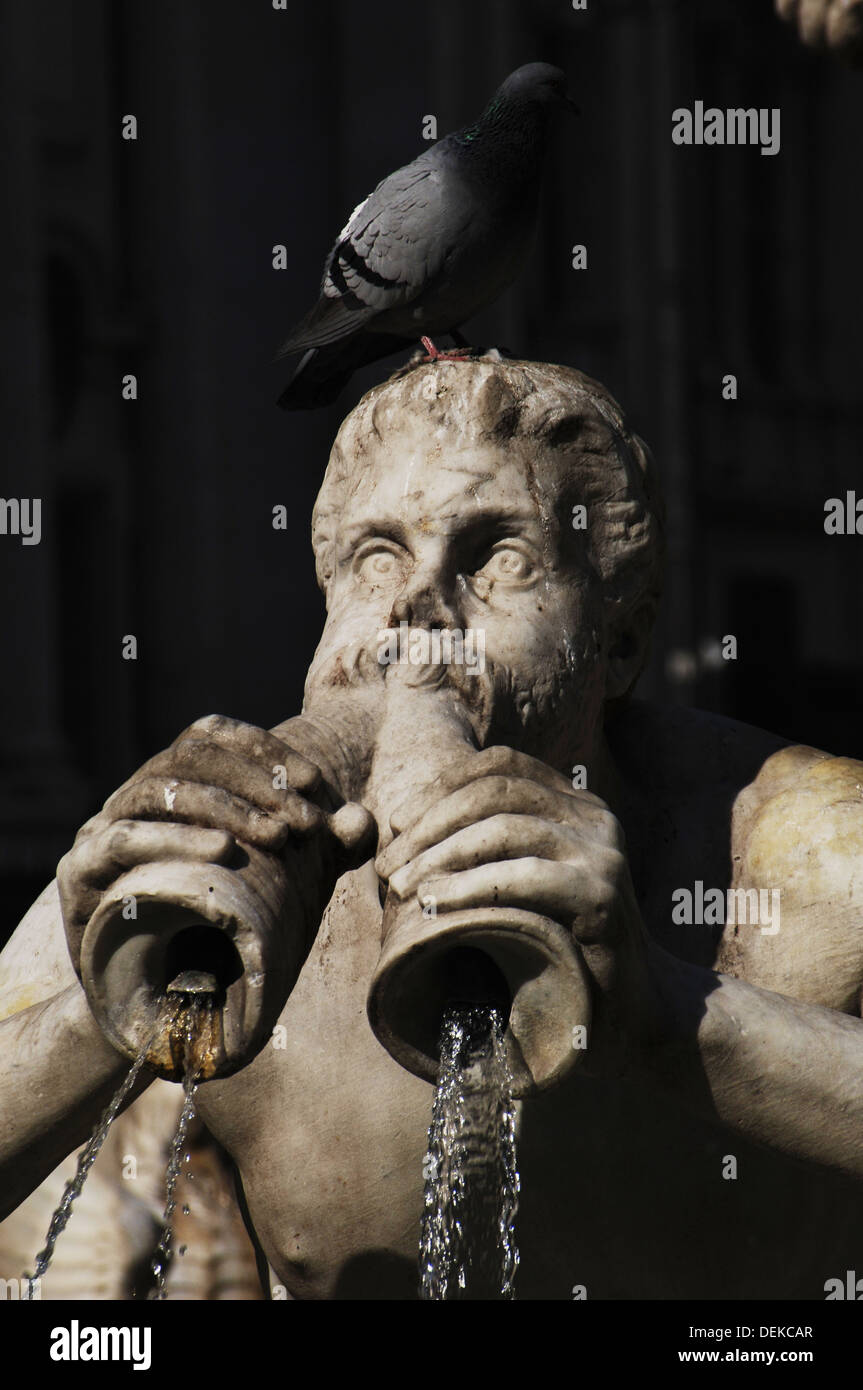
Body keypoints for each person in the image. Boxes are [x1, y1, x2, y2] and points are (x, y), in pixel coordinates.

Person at [2, 357, 862, 1300]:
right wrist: (111, 1005)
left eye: (497, 556)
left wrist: (669, 1017)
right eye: (379, 557)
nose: (416, 609)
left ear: (619, 639)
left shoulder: (798, 847)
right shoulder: (217, 857)